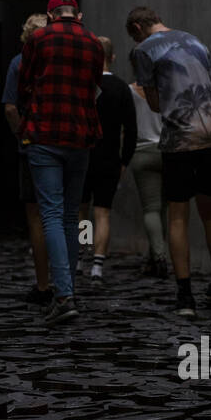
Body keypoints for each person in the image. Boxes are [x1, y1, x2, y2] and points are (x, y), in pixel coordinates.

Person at [126, 6, 211, 316]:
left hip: (180, 138)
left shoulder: (143, 50)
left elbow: (157, 104)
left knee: (177, 215)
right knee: (210, 209)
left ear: (136, 27)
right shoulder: (196, 42)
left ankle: (185, 295)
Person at [18, 0, 105, 326]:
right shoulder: (93, 42)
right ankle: (68, 291)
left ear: (51, 15)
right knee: (71, 216)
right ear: (76, 15)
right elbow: (96, 84)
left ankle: (64, 296)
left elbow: (25, 82)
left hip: (44, 135)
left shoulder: (39, 38)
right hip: (80, 136)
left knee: (51, 214)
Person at [2, 13, 52, 304]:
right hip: (65, 142)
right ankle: (66, 283)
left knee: (36, 217)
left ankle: (43, 284)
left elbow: (10, 108)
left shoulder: (19, 63)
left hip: (32, 143)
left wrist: (21, 135)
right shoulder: (61, 61)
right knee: (62, 214)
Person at [79, 37, 137, 281]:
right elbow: (131, 129)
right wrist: (124, 160)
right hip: (110, 158)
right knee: (103, 213)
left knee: (81, 212)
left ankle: (80, 258)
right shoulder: (122, 88)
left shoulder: (82, 84)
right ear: (112, 57)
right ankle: (98, 266)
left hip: (82, 156)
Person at [127, 50, 170, 279]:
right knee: (164, 207)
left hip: (142, 152)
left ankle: (159, 257)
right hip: (167, 150)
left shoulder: (129, 92)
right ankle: (155, 256)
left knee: (151, 208)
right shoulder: (166, 89)